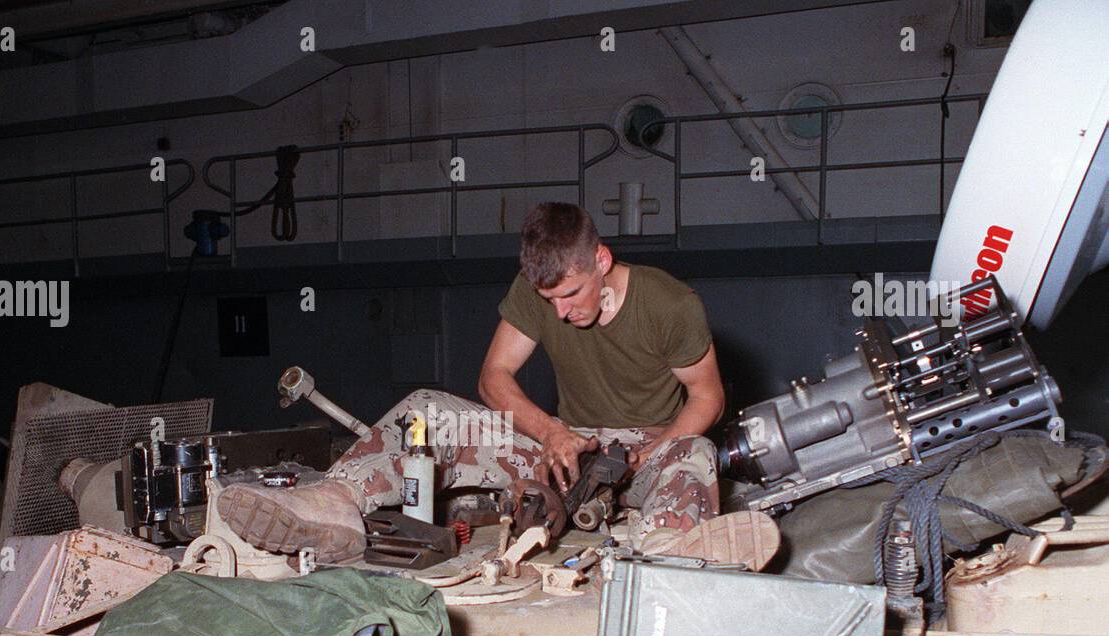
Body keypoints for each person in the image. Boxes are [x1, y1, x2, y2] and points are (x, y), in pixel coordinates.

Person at [217, 202, 778, 569]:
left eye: (572, 295)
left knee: (697, 453)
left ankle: (669, 549)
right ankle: (335, 505)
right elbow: (494, 377)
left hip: (646, 444)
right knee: (428, 410)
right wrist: (551, 431)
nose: (559, 314)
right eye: (548, 301)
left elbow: (708, 397)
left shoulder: (670, 304)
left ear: (602, 260)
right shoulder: (540, 294)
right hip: (565, 444)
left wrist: (659, 444)